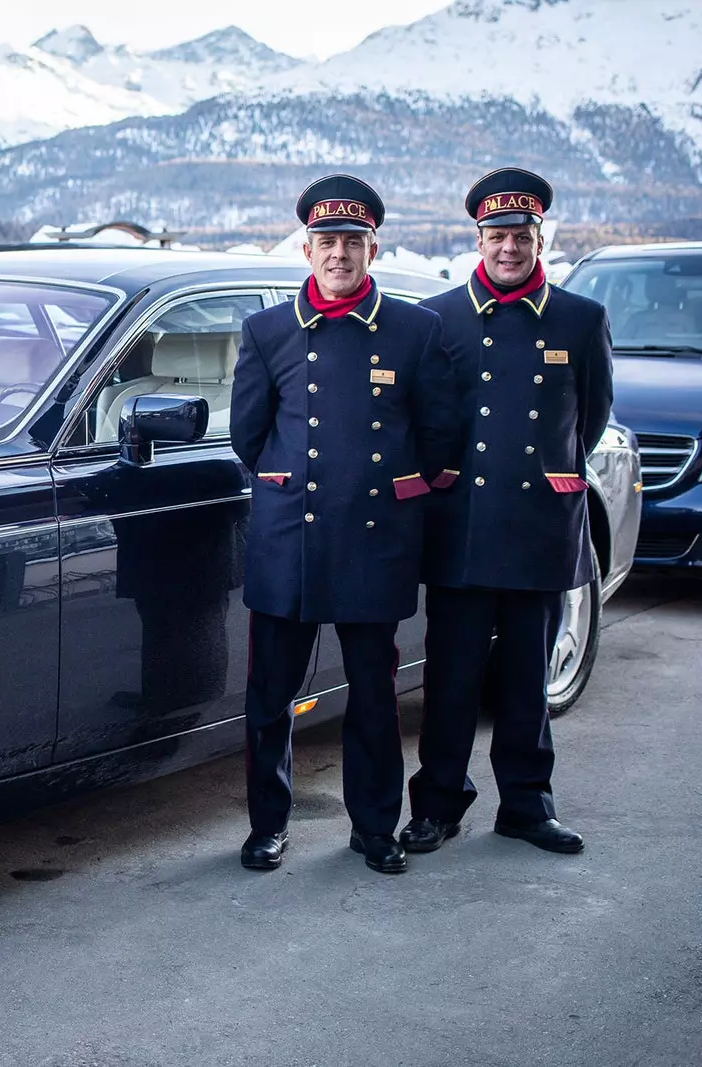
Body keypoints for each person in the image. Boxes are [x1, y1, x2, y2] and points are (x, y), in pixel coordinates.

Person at [230, 175, 459, 874]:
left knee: (373, 695)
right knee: (271, 696)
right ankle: (267, 826)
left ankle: (373, 827)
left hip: (373, 541)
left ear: (372, 248)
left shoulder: (415, 330)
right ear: (307, 250)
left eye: (352, 243)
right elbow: (248, 434)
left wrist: (393, 489)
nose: (339, 255)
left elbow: (440, 433)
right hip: (288, 542)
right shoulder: (267, 331)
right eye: (327, 242)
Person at [404, 168, 613, 856]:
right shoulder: (438, 316)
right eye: (497, 235)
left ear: (539, 238)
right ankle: (438, 806)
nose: (508, 247)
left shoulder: (581, 320)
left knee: (528, 681)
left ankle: (527, 805)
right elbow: (428, 417)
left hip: (539, 531)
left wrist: (542, 474)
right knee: (452, 679)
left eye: (521, 235)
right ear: (479, 239)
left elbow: (589, 418)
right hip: (461, 527)